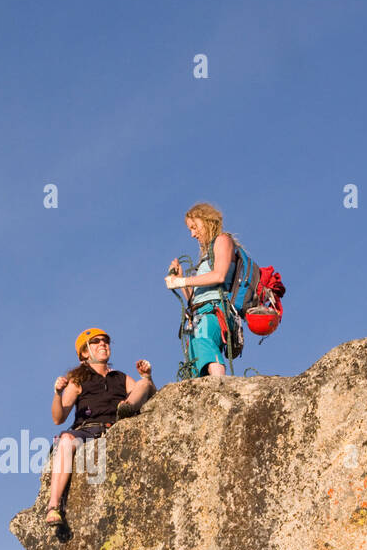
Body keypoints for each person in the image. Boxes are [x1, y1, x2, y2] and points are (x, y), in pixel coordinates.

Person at [46, 328, 155, 526]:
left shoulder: (120, 378)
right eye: (96, 342)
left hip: (114, 427)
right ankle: (54, 506)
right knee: (65, 441)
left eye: (105, 341)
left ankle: (127, 408)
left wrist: (147, 377)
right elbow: (58, 418)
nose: (103, 344)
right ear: (85, 353)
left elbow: (151, 396)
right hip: (86, 429)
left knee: (144, 383)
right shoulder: (78, 380)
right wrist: (57, 393)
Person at [165, 201, 234, 378]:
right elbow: (194, 300)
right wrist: (182, 281)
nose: (193, 234)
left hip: (215, 310)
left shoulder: (222, 240)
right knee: (197, 355)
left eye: (195, 227)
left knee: (205, 342)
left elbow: (219, 275)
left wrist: (182, 281)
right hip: (200, 313)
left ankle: (220, 384)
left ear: (207, 220)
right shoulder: (207, 255)